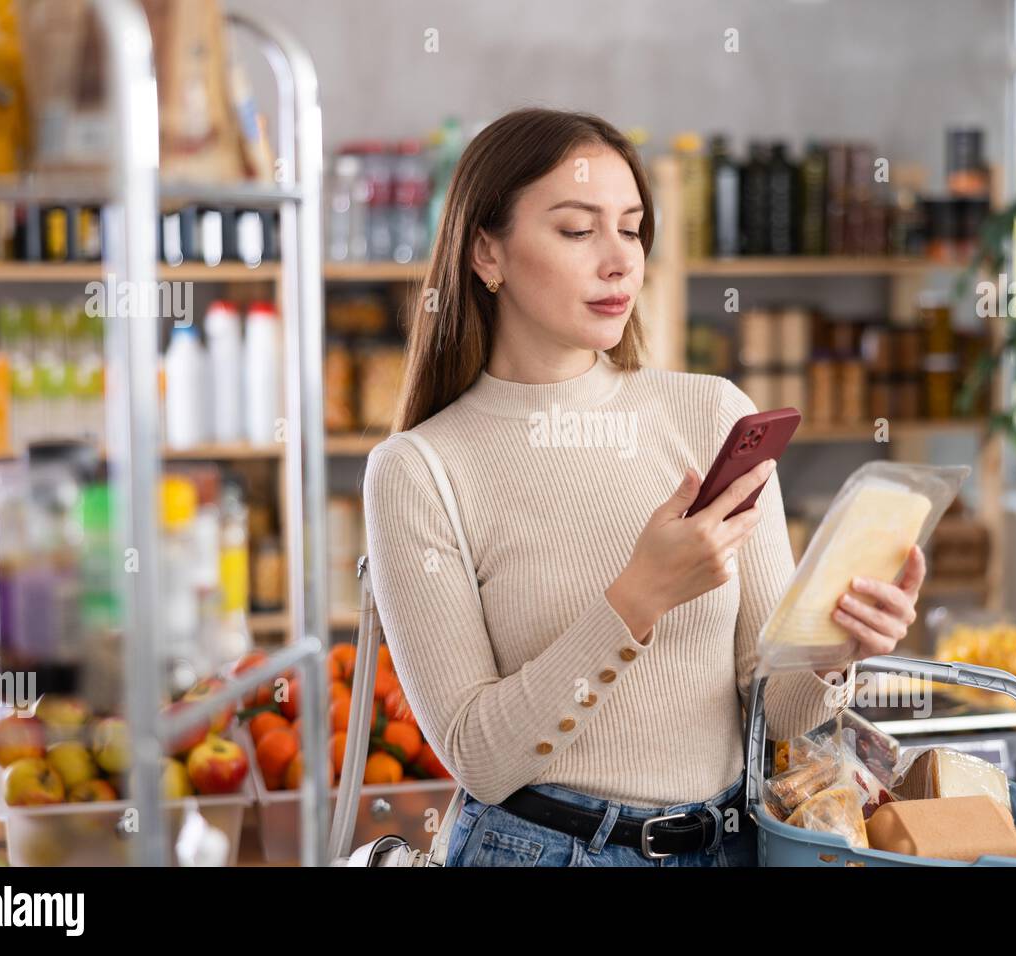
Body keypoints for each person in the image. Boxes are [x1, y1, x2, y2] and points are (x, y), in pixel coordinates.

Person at [362, 107, 925, 867]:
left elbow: (775, 711)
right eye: (576, 230)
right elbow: (479, 758)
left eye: (631, 229)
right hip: (540, 851)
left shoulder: (712, 412)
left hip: (730, 844)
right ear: (486, 252)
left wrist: (835, 648)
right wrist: (638, 598)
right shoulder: (419, 470)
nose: (620, 260)